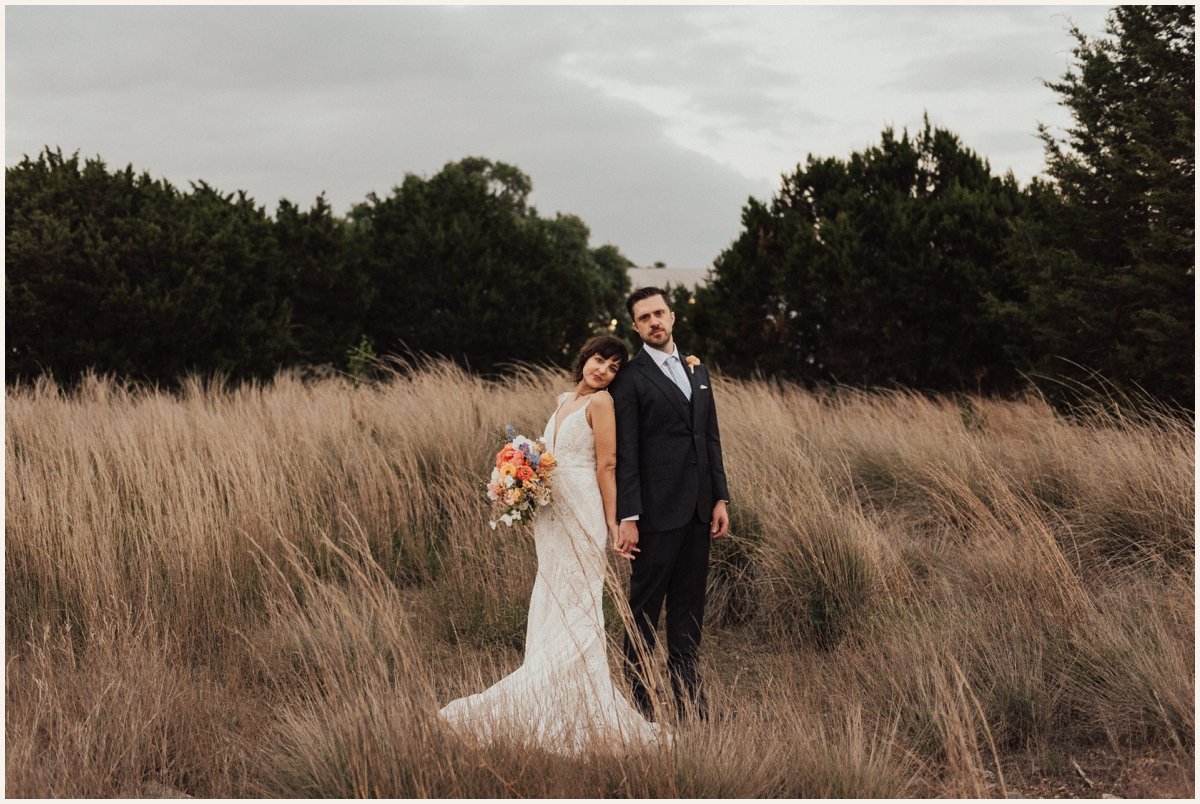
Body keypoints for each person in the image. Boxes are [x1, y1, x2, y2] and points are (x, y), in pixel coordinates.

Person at [438, 335, 661, 754]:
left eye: (613, 368)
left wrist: (614, 523)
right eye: (600, 360)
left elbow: (608, 464)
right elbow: (548, 455)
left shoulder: (602, 405)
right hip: (552, 516)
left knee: (579, 600)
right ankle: (545, 687)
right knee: (552, 594)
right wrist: (521, 479)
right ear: (585, 358)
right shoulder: (563, 400)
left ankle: (565, 695)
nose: (604, 371)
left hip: (582, 510)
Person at [610, 287, 730, 721]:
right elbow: (626, 452)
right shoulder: (631, 378)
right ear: (637, 327)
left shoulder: (698, 370)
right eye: (644, 318)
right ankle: (639, 708)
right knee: (644, 613)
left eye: (659, 312)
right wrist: (629, 517)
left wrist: (720, 497)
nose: (654, 321)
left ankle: (688, 701)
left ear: (673, 316)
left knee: (688, 612)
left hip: (699, 512)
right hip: (655, 517)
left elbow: (709, 439)